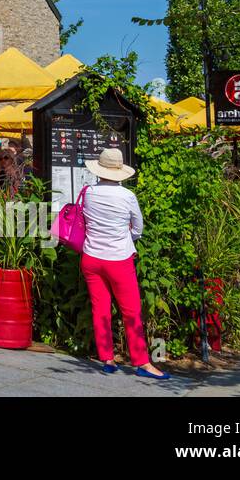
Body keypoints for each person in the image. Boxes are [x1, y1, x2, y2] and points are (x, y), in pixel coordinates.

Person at [79, 148, 169, 379]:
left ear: (99, 169)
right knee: (131, 312)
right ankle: (142, 362)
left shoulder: (88, 192)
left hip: (91, 257)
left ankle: (107, 358)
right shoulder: (127, 196)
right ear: (119, 171)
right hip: (118, 259)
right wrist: (126, 235)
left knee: (100, 308)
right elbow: (138, 228)